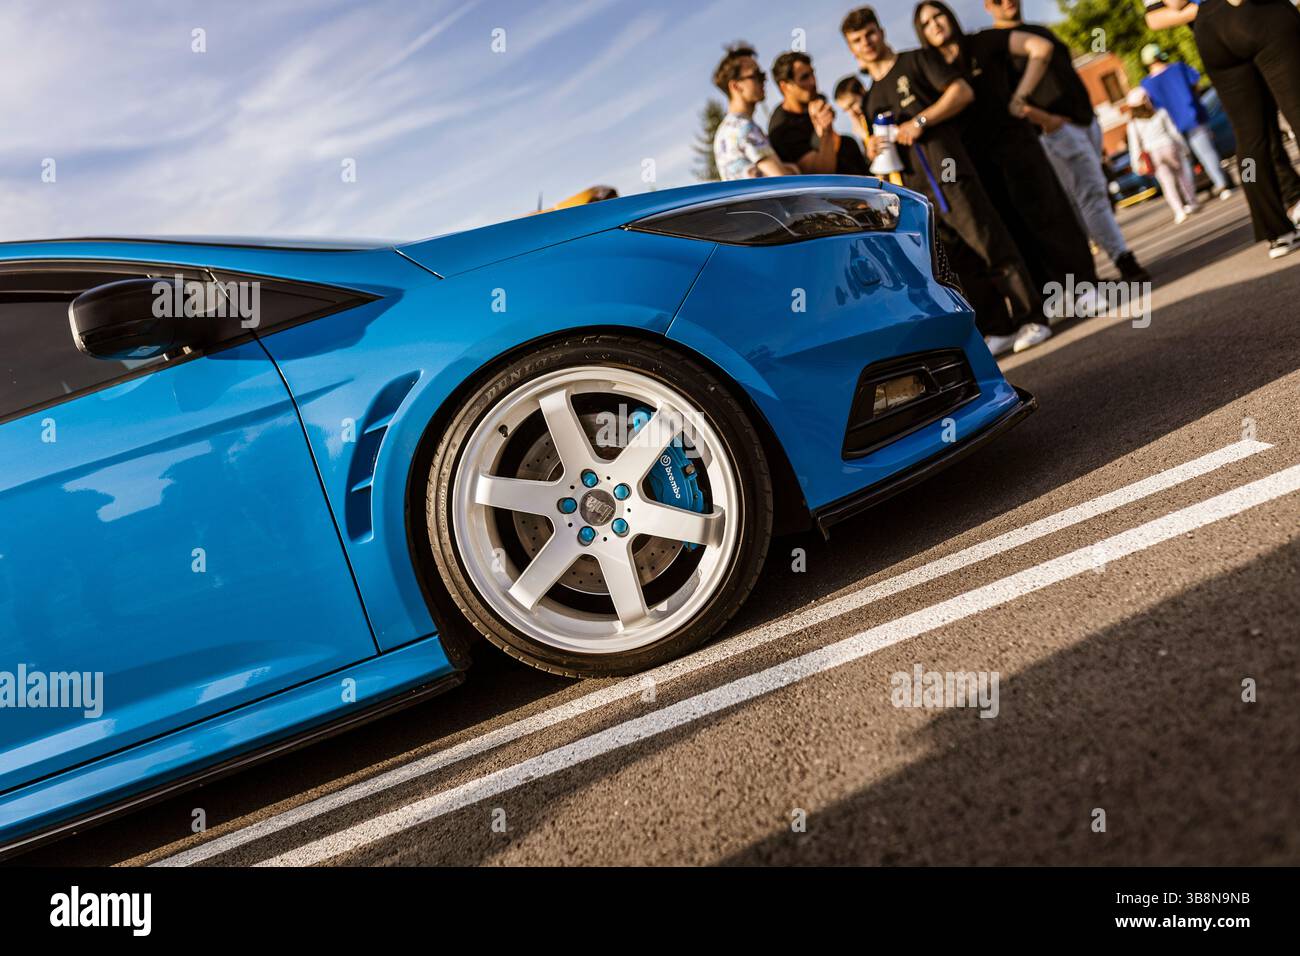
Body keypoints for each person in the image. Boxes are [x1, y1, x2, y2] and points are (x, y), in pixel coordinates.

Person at [842, 5, 1050, 356]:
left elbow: (962, 92)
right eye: (858, 40)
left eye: (871, 33)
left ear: (881, 32)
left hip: (950, 174)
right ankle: (999, 326)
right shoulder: (871, 96)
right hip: (915, 193)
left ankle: (1033, 317)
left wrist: (920, 122)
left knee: (989, 244)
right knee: (959, 262)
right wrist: (872, 147)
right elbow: (879, 157)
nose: (867, 43)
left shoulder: (917, 60)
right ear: (852, 48)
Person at [914, 1, 1097, 312]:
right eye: (927, 22)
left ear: (951, 17)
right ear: (922, 33)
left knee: (1048, 216)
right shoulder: (930, 68)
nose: (935, 24)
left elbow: (1040, 48)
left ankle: (1084, 288)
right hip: (977, 161)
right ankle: (1050, 297)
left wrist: (1021, 95)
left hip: (1017, 146)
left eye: (939, 15)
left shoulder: (983, 41)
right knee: (1012, 228)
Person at [984, 0, 1151, 282]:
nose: (1008, 1)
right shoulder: (999, 45)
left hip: (1084, 121)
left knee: (1082, 200)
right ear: (988, 5)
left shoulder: (1039, 31)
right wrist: (1045, 120)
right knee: (1091, 196)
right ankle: (1123, 260)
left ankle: (1087, 276)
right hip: (1056, 129)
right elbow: (1009, 100)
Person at [1144, 0, 1300, 258]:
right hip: (1257, 14)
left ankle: (1277, 233)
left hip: (1211, 31)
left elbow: (1172, 4)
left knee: (1250, 138)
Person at [1139, 44, 1233, 201]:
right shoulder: (1178, 68)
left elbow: (1150, 106)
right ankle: (1222, 185)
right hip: (1192, 117)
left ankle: (1190, 197)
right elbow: (1196, 84)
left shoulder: (1146, 84)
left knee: (1183, 162)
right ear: (1160, 55)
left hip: (1169, 126)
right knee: (1207, 153)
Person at [769, 52, 869, 174]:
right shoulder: (782, 128)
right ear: (785, 86)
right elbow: (821, 172)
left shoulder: (815, 100)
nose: (813, 82)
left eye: (812, 73)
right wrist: (825, 131)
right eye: (804, 77)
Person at [711, 44, 799, 181]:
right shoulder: (745, 127)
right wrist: (794, 169)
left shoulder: (723, 133)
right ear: (736, 86)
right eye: (756, 75)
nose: (764, 80)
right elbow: (783, 181)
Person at [1126, 87, 1200, 224]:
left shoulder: (1133, 124)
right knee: (1182, 176)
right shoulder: (1161, 113)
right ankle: (1192, 201)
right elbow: (1174, 132)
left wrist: (1136, 165)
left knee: (1167, 183)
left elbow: (1134, 146)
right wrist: (1184, 148)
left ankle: (1179, 211)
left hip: (1153, 153)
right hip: (1169, 146)